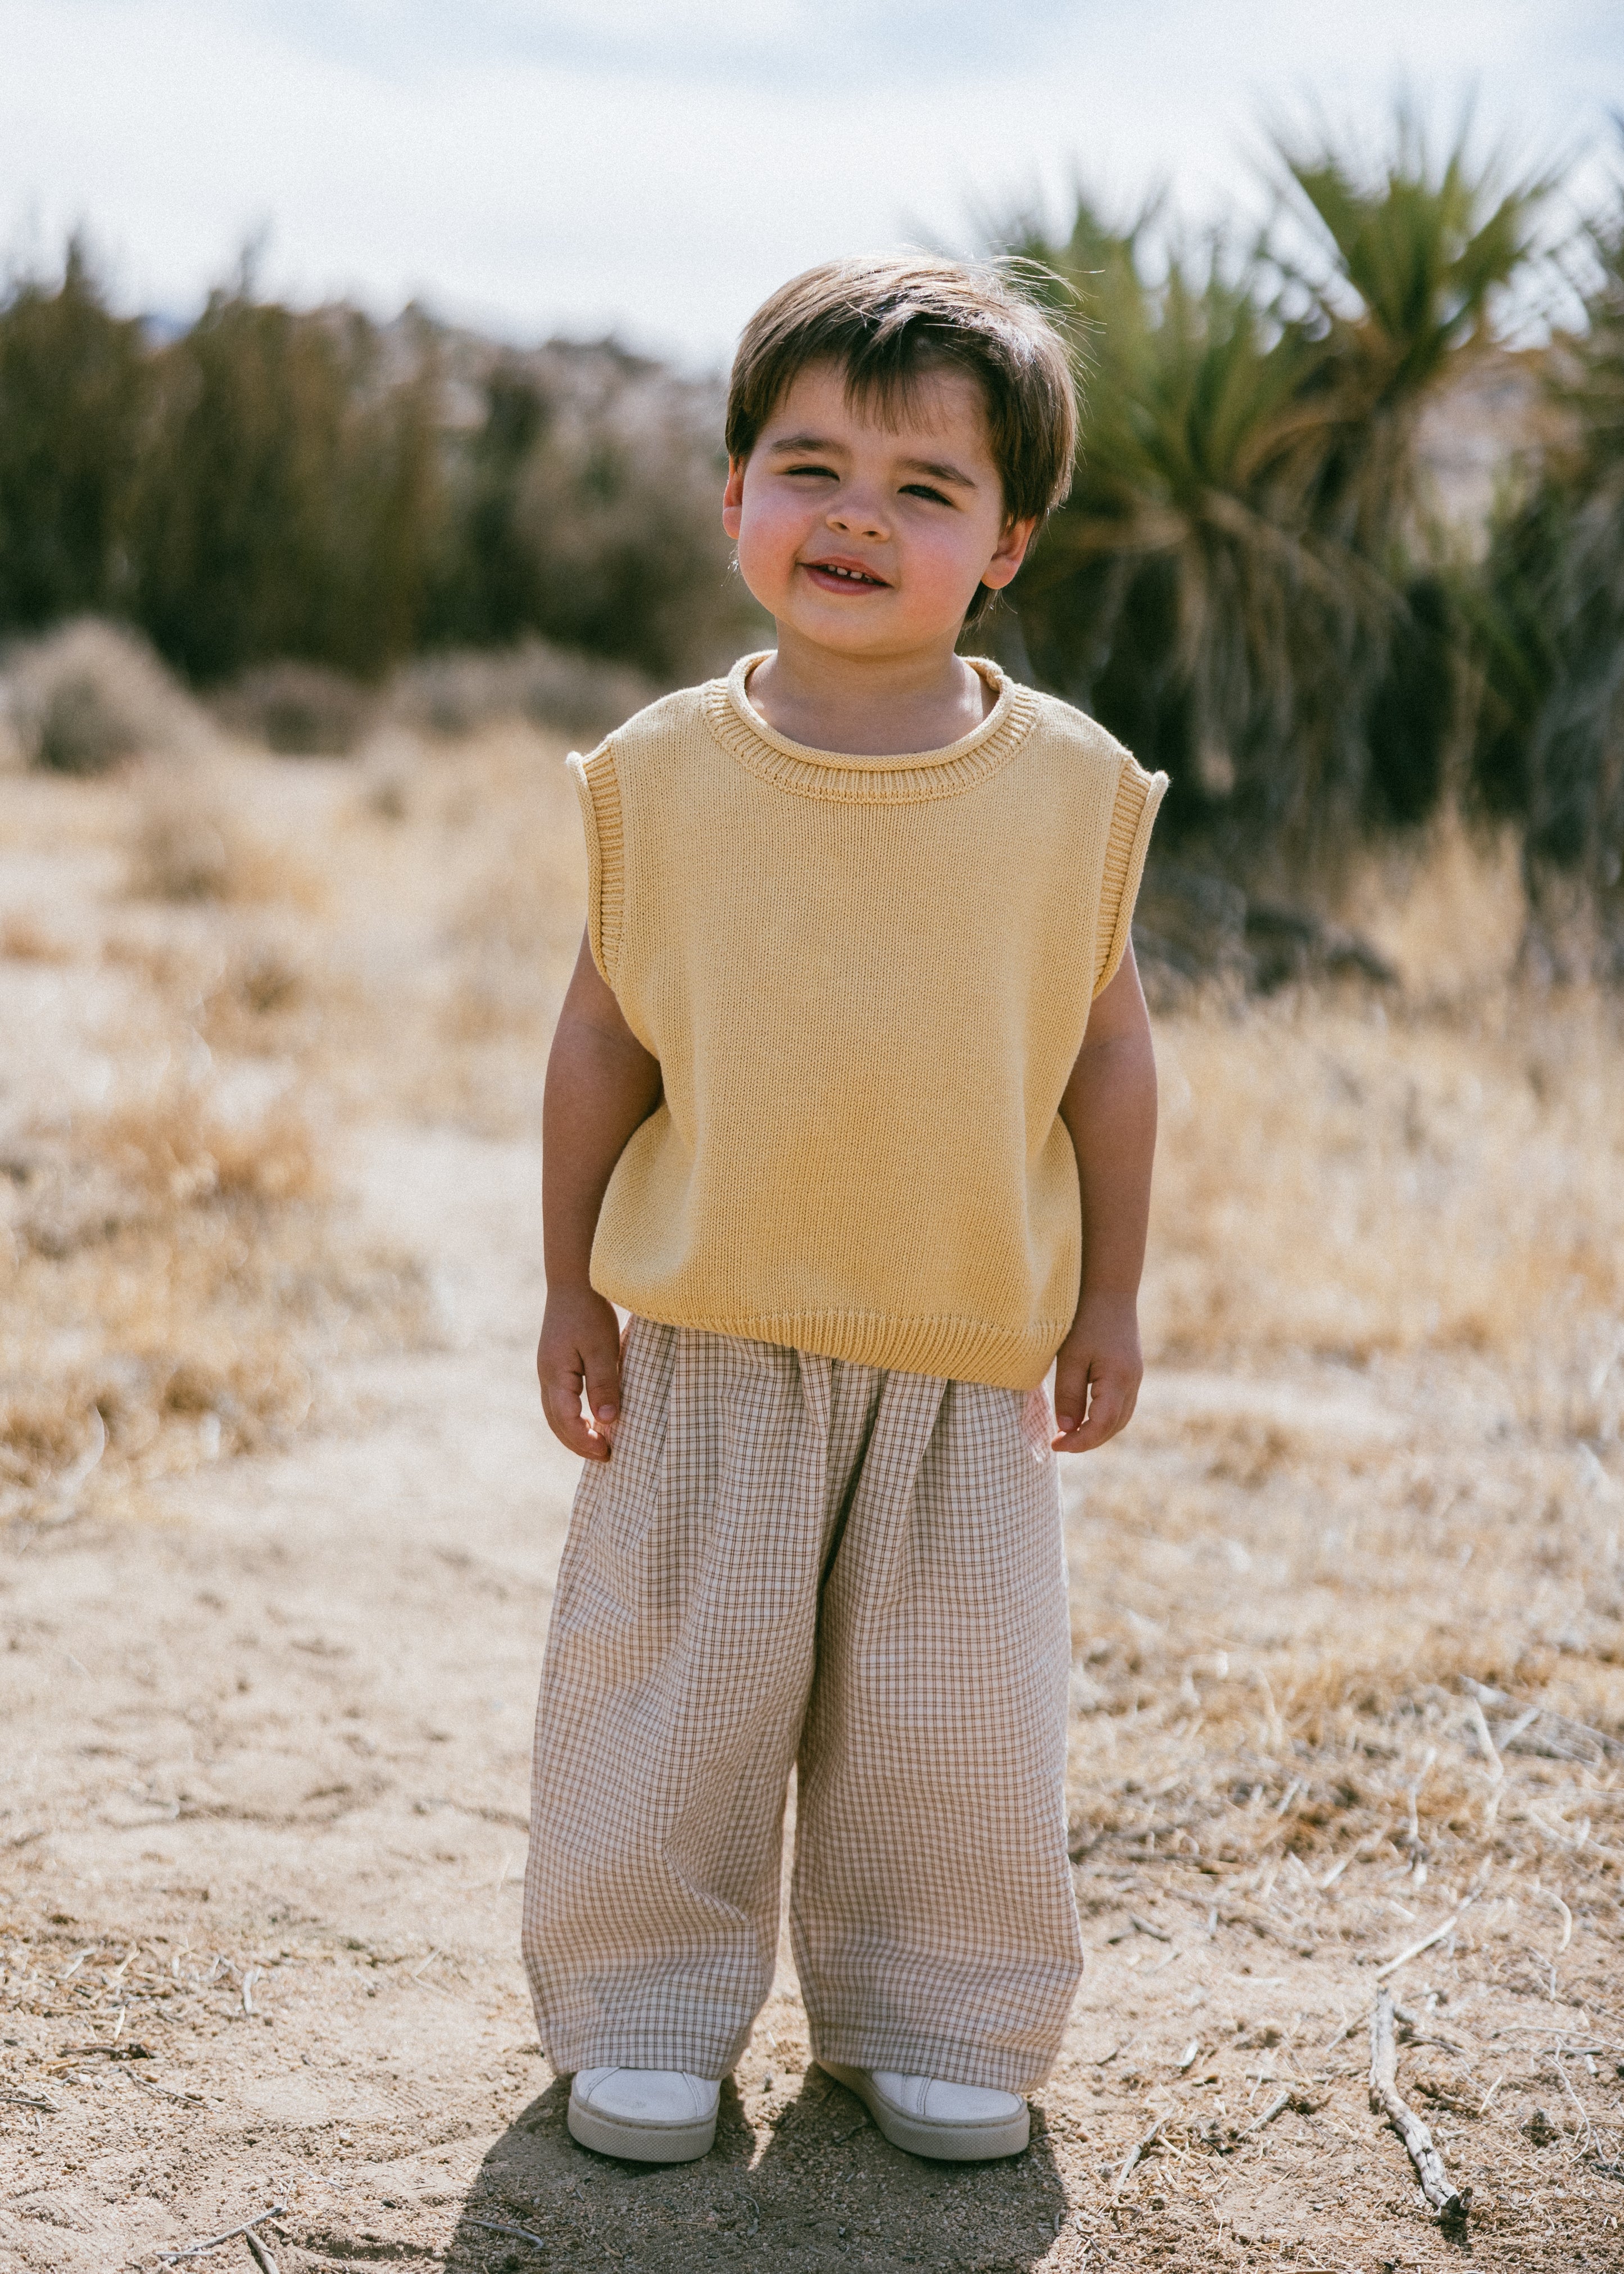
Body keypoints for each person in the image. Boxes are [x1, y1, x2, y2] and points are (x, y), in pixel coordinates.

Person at [524, 254, 1165, 2167]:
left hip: (964, 1350)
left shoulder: (1066, 791)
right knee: (671, 1700)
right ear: (732, 500)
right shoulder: (660, 773)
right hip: (707, 1341)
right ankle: (643, 2006)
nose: (854, 518)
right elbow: (597, 1042)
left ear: (1007, 546)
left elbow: (1109, 1060)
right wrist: (565, 1288)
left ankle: (937, 2014)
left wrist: (1111, 1301)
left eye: (924, 489)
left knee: (951, 1724)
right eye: (807, 468)